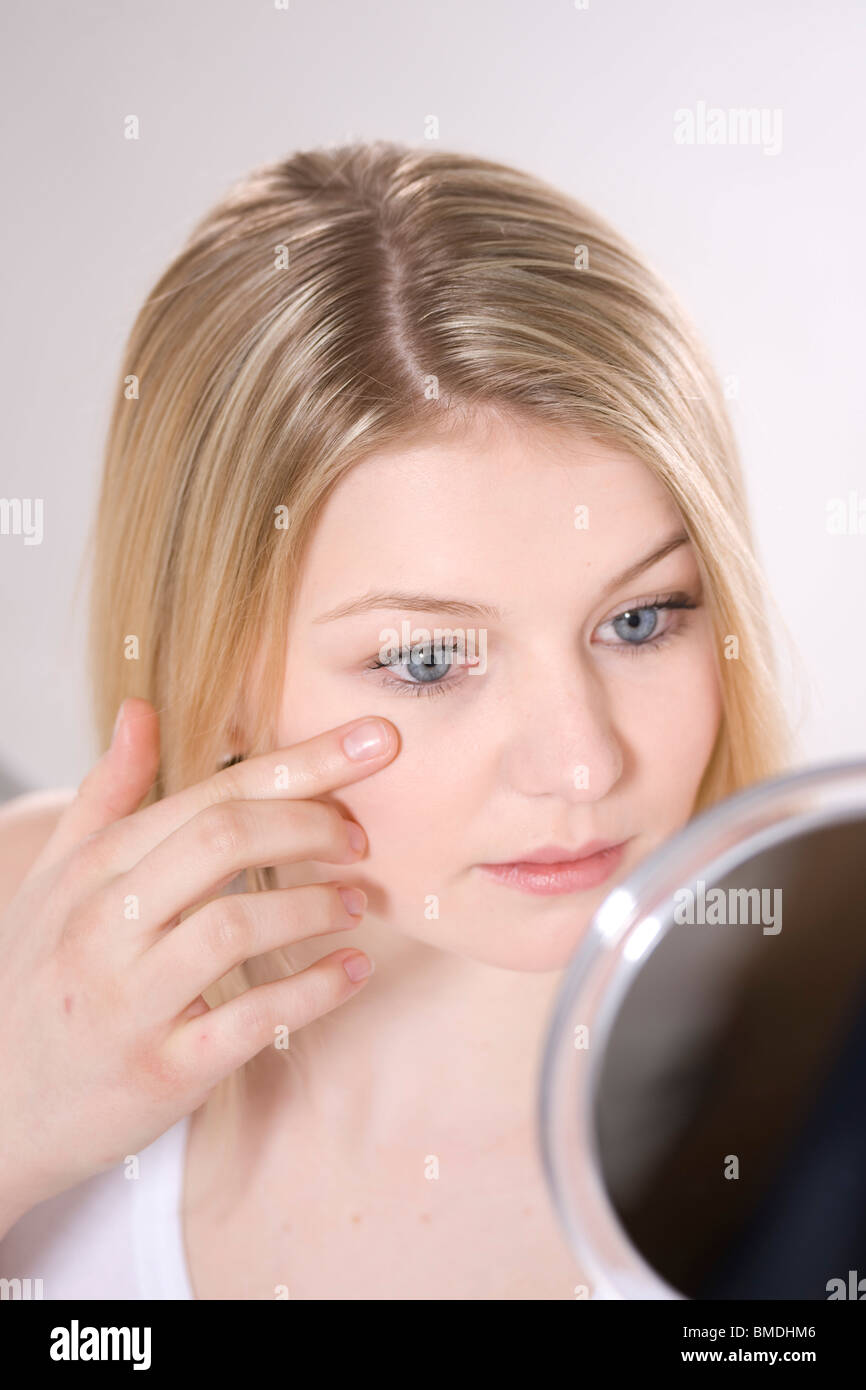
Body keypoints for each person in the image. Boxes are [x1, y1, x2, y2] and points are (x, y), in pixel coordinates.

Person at [0, 140, 793, 1300]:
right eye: (428, 659)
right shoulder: (24, 930)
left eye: (640, 620)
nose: (579, 762)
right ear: (218, 664)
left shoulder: (819, 1056)